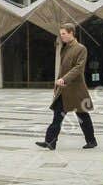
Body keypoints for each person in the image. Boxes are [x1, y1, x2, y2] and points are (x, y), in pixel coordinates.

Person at [37, 23, 97, 151]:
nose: (62, 36)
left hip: (76, 89)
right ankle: (50, 142)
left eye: (63, 33)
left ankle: (91, 141)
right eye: (61, 34)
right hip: (63, 89)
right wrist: (57, 87)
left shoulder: (81, 48)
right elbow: (62, 70)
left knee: (82, 116)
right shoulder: (64, 48)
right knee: (57, 116)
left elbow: (79, 68)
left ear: (71, 33)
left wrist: (64, 79)